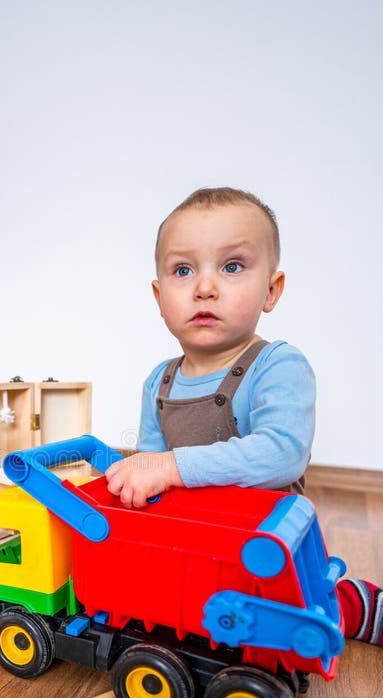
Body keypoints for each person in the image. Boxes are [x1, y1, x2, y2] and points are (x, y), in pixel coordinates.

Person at [105, 187, 382, 646]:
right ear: (158, 296)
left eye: (232, 266)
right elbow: (151, 475)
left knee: (287, 616)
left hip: (266, 546)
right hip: (197, 543)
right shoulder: (159, 382)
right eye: (182, 269)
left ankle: (350, 603)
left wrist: (168, 467)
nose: (205, 286)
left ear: (272, 291)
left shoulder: (277, 366)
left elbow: (281, 454)